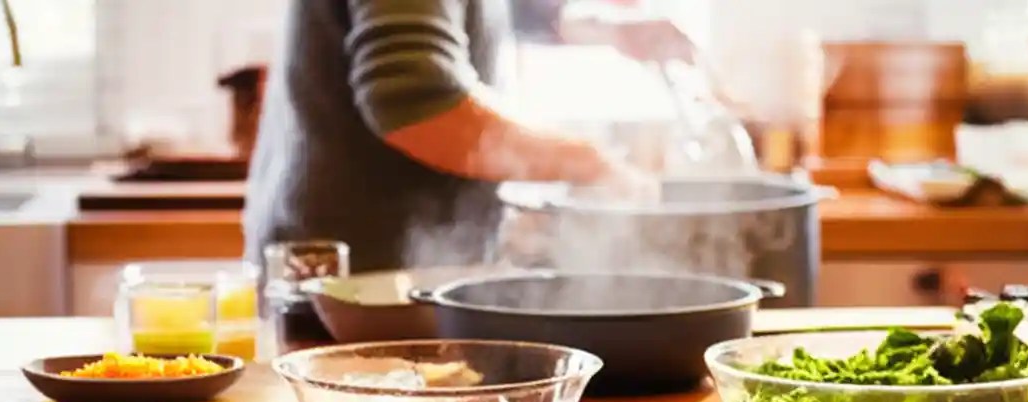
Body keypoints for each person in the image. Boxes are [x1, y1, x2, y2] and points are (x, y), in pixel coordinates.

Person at [244, 0, 695, 275]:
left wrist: (601, 25)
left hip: (368, 262)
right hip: (364, 279)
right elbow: (418, 102)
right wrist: (592, 164)